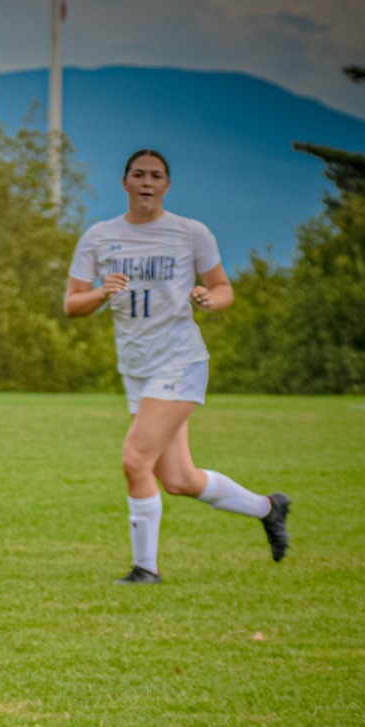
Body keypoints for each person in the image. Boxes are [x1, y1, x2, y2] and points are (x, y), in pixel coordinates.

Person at [64, 149, 290, 584]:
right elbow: (72, 304)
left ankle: (144, 570)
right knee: (179, 479)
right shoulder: (99, 236)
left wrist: (210, 299)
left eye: (157, 176)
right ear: (124, 182)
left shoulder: (190, 233)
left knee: (134, 461)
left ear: (167, 185)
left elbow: (223, 288)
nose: (147, 182)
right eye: (139, 175)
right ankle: (269, 508)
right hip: (136, 367)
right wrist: (101, 294)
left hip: (179, 360)